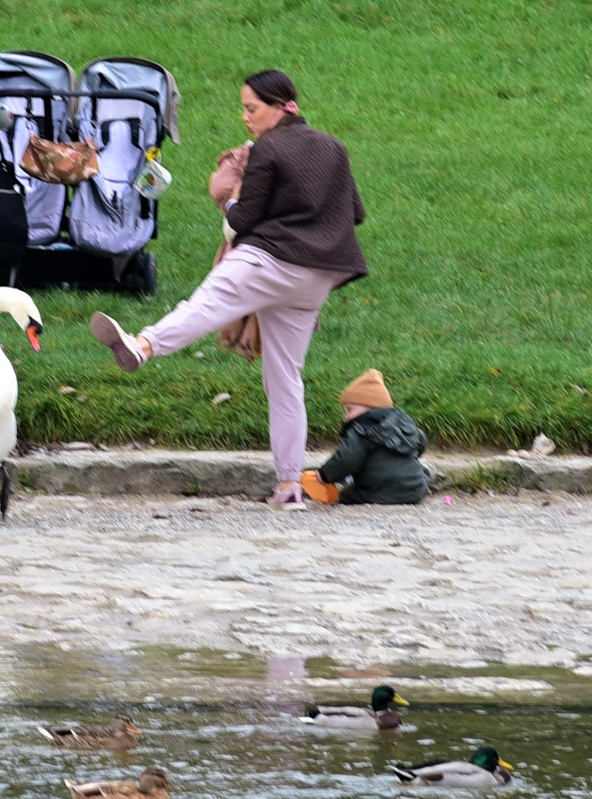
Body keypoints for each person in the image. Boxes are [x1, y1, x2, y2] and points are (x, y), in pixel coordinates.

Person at [90, 69, 367, 507]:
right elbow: (355, 213)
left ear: (282, 107)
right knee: (285, 379)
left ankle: (142, 346)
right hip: (318, 278)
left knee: (206, 304)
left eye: (252, 108)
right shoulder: (334, 147)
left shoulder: (267, 148)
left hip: (269, 260)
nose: (245, 117)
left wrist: (233, 198)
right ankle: (289, 485)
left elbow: (242, 220)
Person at [301, 369, 430, 505]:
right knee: (420, 473)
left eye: (349, 409)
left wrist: (324, 475)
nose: (346, 416)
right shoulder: (405, 422)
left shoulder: (363, 430)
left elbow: (346, 459)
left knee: (347, 494)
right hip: (416, 489)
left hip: (379, 492)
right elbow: (421, 442)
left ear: (371, 408)